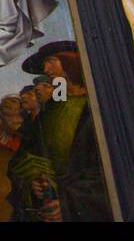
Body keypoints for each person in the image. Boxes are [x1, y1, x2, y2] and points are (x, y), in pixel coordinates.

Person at [8, 42, 111, 222]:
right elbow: (22, 158)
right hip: (47, 207)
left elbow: (111, 168)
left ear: (70, 61)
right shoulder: (49, 111)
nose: (46, 70)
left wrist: (69, 203)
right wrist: (32, 182)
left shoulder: (101, 105)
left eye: (51, 62)